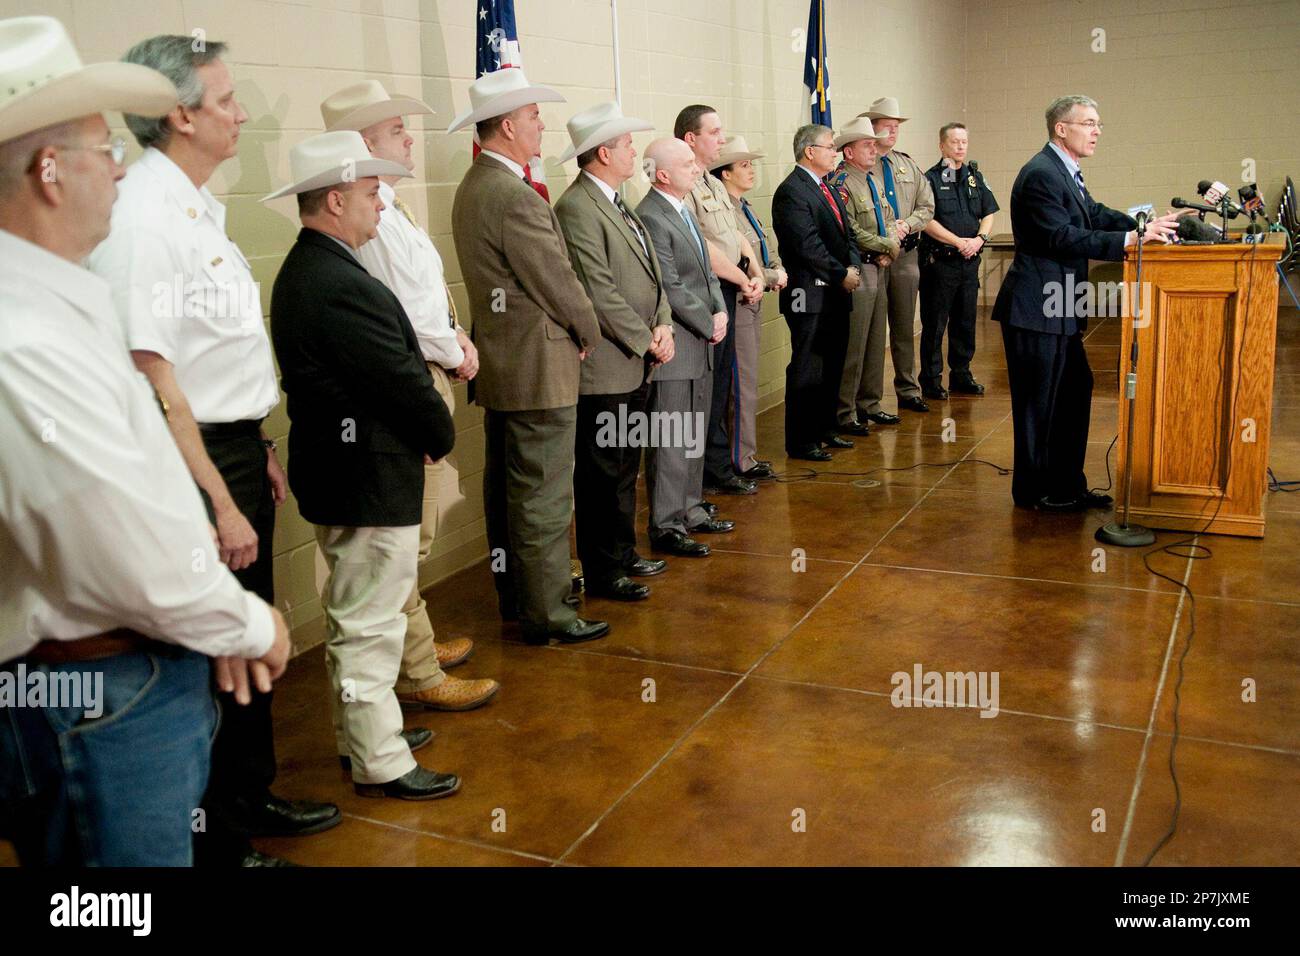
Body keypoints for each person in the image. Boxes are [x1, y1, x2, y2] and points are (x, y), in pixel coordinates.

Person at [0, 14, 290, 866]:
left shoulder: (56, 297)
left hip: (138, 662)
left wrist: (207, 611)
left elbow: (133, 465)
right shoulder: (24, 333)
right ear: (50, 172)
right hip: (98, 689)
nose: (120, 166)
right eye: (102, 150)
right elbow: (107, 537)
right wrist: (241, 622)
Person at [86, 34, 338, 868]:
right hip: (190, 461)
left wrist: (255, 446)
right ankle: (216, 837)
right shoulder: (144, 218)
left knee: (242, 637)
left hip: (228, 444)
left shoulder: (192, 204)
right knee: (209, 653)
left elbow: (211, 358)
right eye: (225, 100)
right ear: (179, 114)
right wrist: (220, 499)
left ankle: (246, 794)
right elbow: (153, 377)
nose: (239, 114)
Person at [266, 130, 461, 799]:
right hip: (366, 476)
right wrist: (441, 430)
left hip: (351, 473)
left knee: (359, 617)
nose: (381, 204)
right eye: (372, 192)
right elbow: (400, 382)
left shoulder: (319, 268)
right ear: (335, 197)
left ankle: (362, 739)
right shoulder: (333, 281)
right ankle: (381, 761)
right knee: (369, 625)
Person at [321, 80, 500, 711]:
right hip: (414, 375)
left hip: (431, 362)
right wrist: (455, 351)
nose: (409, 138)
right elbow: (402, 311)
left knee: (411, 536)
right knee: (404, 537)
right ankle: (417, 668)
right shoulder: (373, 220)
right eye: (396, 130)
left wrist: (454, 339)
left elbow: (424, 302)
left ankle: (411, 643)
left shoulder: (390, 208)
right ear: (365, 143)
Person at [448, 69, 608, 644]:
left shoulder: (473, 186)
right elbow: (557, 279)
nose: (543, 125)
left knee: (508, 489)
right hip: (538, 367)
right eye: (535, 116)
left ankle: (516, 595)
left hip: (503, 362)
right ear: (509, 125)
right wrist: (588, 329)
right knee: (542, 495)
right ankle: (551, 614)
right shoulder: (514, 194)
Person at [993, 95, 1180, 510]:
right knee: (1038, 404)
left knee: (1074, 390)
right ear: (1062, 128)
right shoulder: (1041, 173)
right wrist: (1131, 240)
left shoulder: (1065, 171)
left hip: (1059, 306)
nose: (1097, 131)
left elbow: (1092, 213)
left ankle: (1066, 485)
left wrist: (1144, 225)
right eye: (1089, 123)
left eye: (1099, 124)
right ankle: (1035, 493)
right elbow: (1060, 236)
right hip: (1036, 307)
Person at [554, 102, 675, 601]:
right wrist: (646, 337)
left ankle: (623, 552)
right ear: (603, 153)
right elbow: (597, 290)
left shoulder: (619, 200)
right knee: (602, 470)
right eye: (627, 145)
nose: (633, 152)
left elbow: (652, 275)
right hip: (608, 366)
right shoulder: (577, 207)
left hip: (637, 360)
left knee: (627, 464)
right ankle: (603, 570)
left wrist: (664, 323)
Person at [636, 138, 731, 556]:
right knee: (671, 437)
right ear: (662, 174)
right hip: (679, 342)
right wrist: (706, 319)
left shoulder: (684, 208)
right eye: (688, 163)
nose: (697, 169)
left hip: (702, 339)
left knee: (694, 430)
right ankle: (666, 523)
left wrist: (720, 309)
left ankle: (691, 509)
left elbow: (707, 272)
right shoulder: (651, 216)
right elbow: (668, 284)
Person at [676, 104, 764, 496]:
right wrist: (744, 277)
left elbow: (735, 234)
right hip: (707, 294)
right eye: (714, 132)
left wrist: (757, 271)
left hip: (731, 288)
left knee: (723, 384)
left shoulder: (710, 183)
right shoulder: (683, 185)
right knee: (708, 391)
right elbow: (703, 247)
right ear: (690, 139)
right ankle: (711, 472)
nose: (722, 139)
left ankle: (718, 466)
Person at [771, 124, 862, 462]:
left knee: (833, 363)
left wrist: (852, 267)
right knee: (808, 367)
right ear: (810, 151)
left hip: (837, 292)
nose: (835, 153)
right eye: (830, 147)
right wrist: (841, 274)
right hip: (808, 294)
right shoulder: (792, 191)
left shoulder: (828, 188)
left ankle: (826, 428)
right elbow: (807, 245)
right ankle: (802, 440)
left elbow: (847, 233)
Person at [710, 135, 787, 480]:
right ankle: (739, 458)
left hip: (755, 297)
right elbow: (738, 259)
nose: (751, 170)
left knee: (746, 381)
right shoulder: (725, 211)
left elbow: (765, 250)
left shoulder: (744, 208)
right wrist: (771, 276)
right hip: (740, 299)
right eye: (743, 165)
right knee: (740, 385)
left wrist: (775, 272)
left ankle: (745, 454)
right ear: (724, 173)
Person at [827, 116, 901, 434]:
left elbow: (889, 218)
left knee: (875, 342)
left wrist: (890, 247)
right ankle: (845, 411)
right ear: (848, 152)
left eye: (874, 143)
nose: (874, 149)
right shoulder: (842, 184)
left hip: (881, 266)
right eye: (867, 144)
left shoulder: (873, 181)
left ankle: (869, 403)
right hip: (862, 268)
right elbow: (850, 229)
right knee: (854, 344)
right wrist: (885, 245)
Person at [861, 97, 934, 412]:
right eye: (887, 127)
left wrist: (907, 224)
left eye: (896, 127)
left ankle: (908, 389)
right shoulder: (861, 166)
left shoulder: (907, 165)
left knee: (905, 326)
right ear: (873, 129)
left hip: (906, 257)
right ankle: (870, 399)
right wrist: (887, 234)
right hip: (875, 257)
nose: (893, 132)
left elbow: (927, 207)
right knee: (875, 334)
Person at [919, 122, 999, 399]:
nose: (961, 147)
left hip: (969, 261)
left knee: (965, 321)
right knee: (935, 323)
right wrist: (957, 242)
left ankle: (961, 374)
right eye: (954, 142)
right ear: (942, 145)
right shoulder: (929, 179)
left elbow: (989, 211)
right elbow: (925, 220)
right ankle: (931, 379)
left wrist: (979, 239)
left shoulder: (974, 176)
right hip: (940, 262)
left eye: (964, 141)